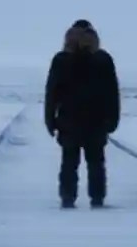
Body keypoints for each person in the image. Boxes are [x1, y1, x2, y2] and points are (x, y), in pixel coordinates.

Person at [44, 19, 121, 208]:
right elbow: (112, 93)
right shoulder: (103, 59)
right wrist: (113, 120)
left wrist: (50, 121)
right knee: (96, 162)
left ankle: (67, 198)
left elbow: (52, 93)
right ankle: (97, 199)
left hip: (68, 121)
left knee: (69, 162)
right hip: (96, 121)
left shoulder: (61, 60)